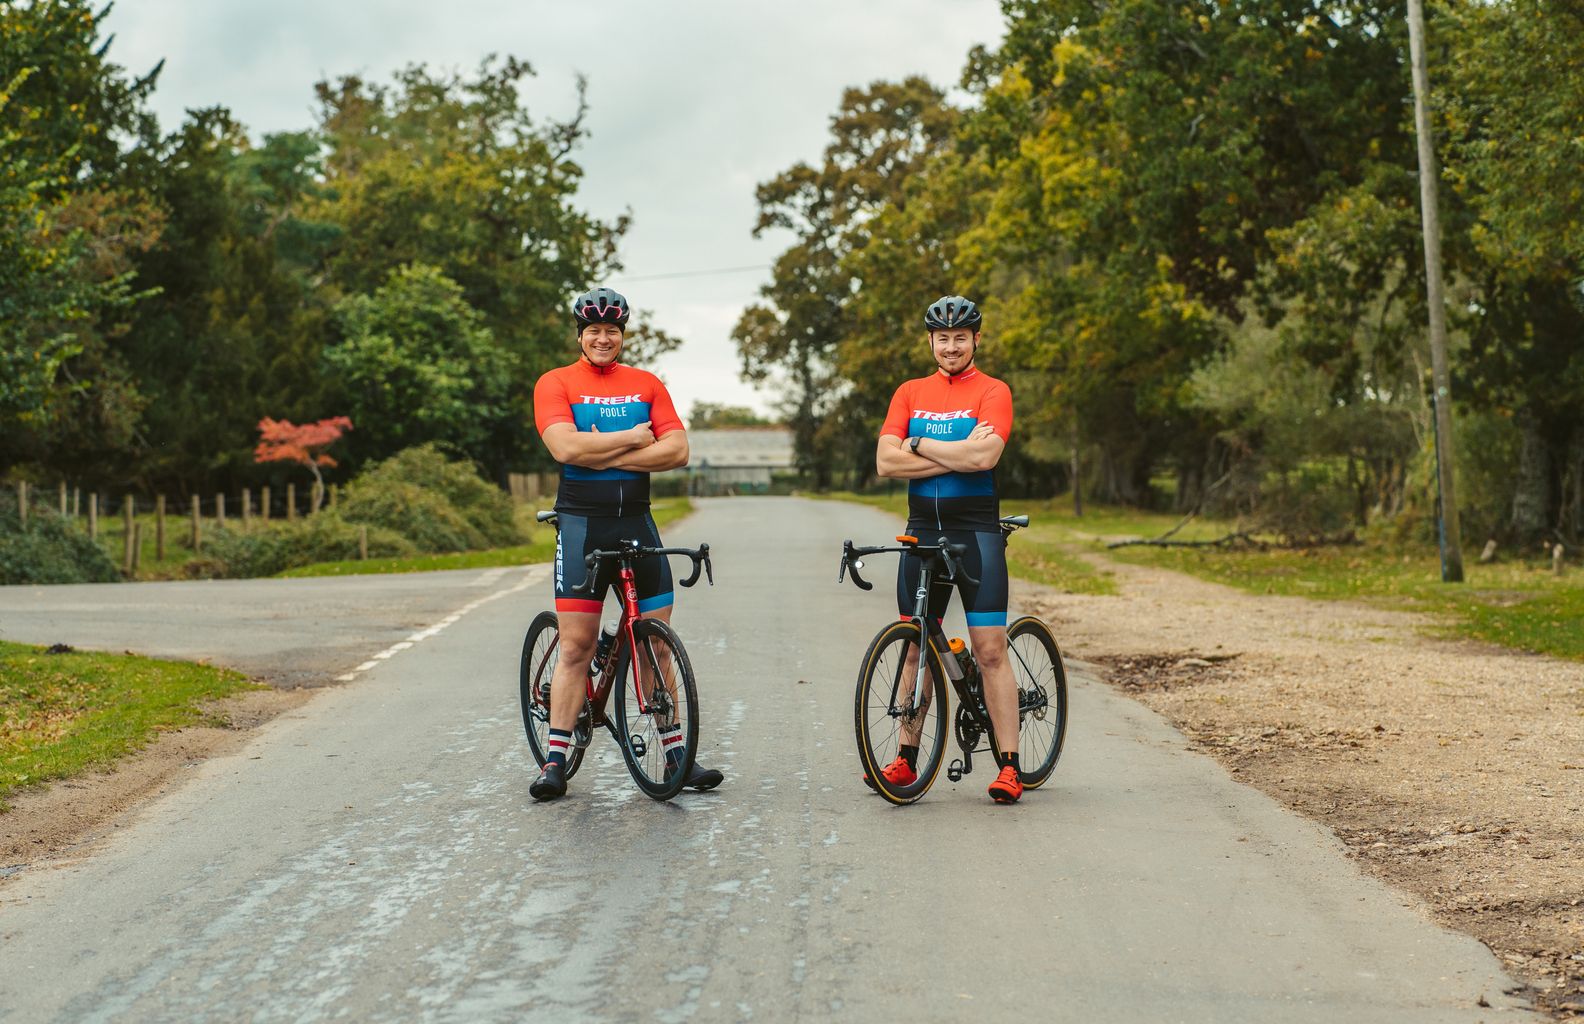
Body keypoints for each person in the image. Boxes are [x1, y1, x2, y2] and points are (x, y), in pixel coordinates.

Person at [529, 286, 724, 801]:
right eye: (593, 330)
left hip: (638, 523)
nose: (602, 338)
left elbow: (678, 450)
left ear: (622, 335)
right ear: (580, 334)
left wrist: (601, 454)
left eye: (611, 330)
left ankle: (678, 755)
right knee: (576, 645)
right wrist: (637, 439)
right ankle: (555, 761)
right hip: (581, 526)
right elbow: (564, 447)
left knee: (655, 641)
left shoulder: (646, 384)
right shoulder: (555, 382)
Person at [873, 295, 1023, 803]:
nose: (952, 345)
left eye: (961, 337)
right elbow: (885, 464)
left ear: (976, 339)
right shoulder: (910, 392)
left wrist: (916, 445)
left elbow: (986, 456)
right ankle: (904, 758)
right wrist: (953, 454)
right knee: (915, 644)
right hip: (921, 532)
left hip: (976, 532)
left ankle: (1009, 766)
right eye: (943, 338)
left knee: (989, 650)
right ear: (931, 341)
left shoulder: (993, 391)